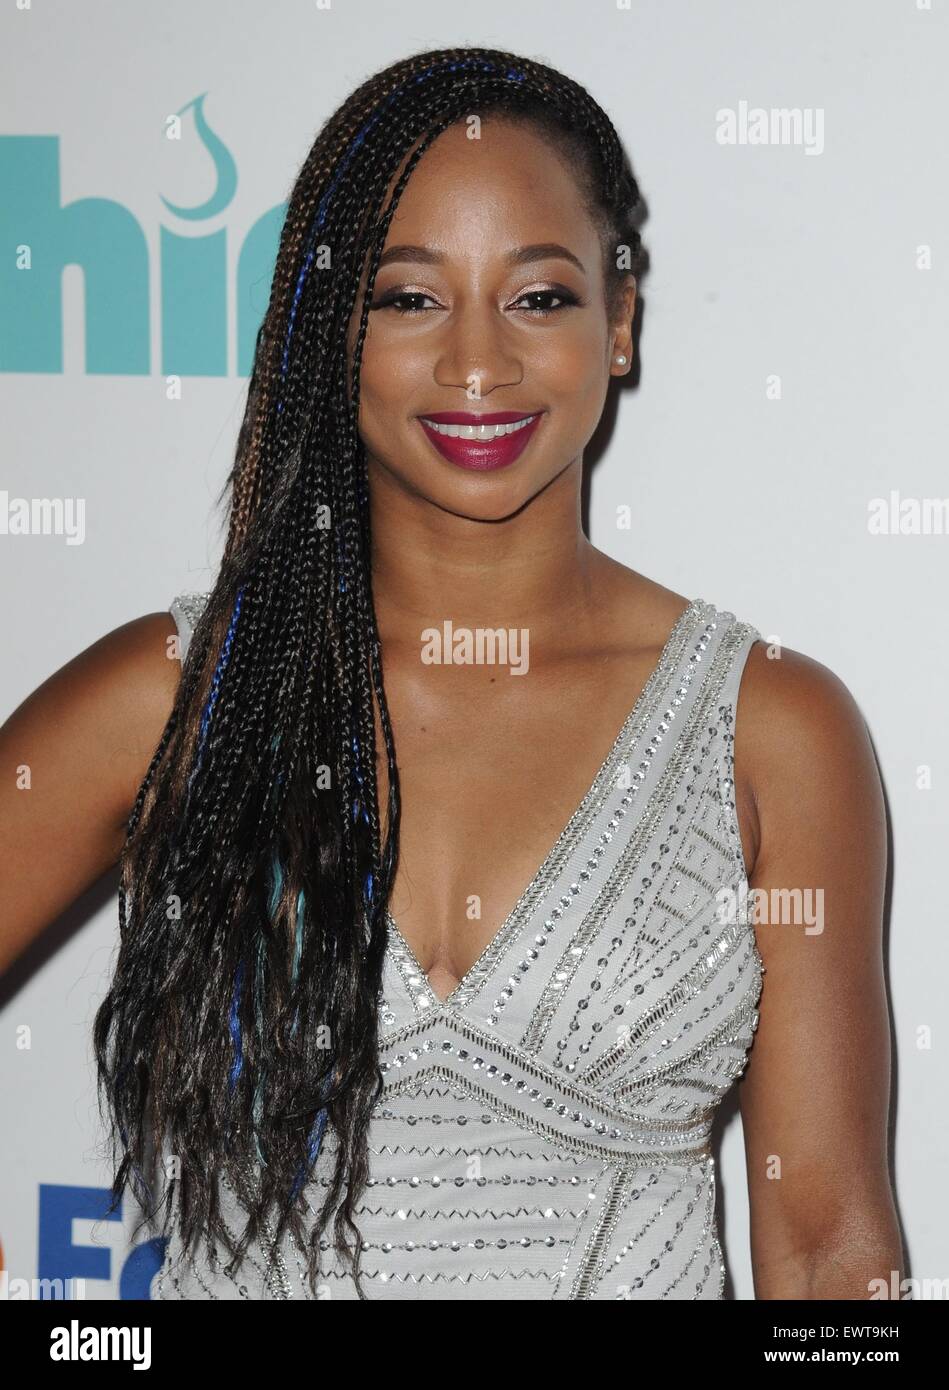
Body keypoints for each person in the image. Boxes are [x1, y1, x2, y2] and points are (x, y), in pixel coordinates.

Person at [0, 45, 902, 1300]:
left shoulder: (770, 728)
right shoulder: (175, 699)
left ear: (619, 322)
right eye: (409, 296)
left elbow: (827, 1244)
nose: (477, 365)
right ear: (332, 329)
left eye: (537, 296)